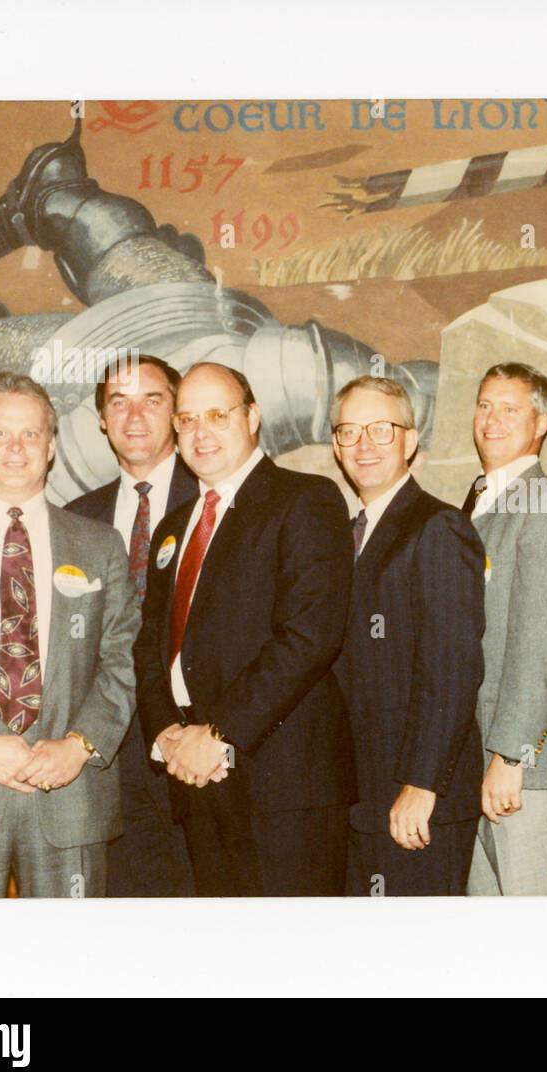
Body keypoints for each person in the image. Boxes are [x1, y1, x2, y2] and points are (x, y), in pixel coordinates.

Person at [133, 362, 356, 895]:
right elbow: (149, 644)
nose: (200, 432)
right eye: (186, 420)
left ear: (253, 416)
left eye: (217, 414)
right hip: (195, 777)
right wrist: (167, 733)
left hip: (282, 786)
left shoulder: (307, 499)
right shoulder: (172, 527)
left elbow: (308, 636)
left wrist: (220, 734)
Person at [0, 371, 138, 897]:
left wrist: (80, 746)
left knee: (69, 966)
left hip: (72, 796)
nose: (15, 448)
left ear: (51, 446)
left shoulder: (100, 546)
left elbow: (119, 661)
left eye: (31, 434)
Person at [332, 376, 485, 896]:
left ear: (410, 440)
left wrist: (421, 785)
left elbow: (453, 669)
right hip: (361, 793)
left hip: (417, 799)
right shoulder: (343, 533)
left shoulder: (438, 527)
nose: (364, 445)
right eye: (349, 432)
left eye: (380, 429)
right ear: (335, 446)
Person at [65, 354, 196, 896]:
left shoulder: (215, 502)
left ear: (177, 412)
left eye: (153, 400)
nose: (135, 416)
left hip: (197, 750)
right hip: (109, 758)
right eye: (119, 402)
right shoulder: (75, 519)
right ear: (101, 418)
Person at [462, 362, 547, 896]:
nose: (492, 419)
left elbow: (539, 644)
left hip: (518, 763)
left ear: (542, 424)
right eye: (485, 405)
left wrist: (510, 757)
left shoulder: (544, 503)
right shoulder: (481, 499)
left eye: (510, 408)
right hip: (478, 755)